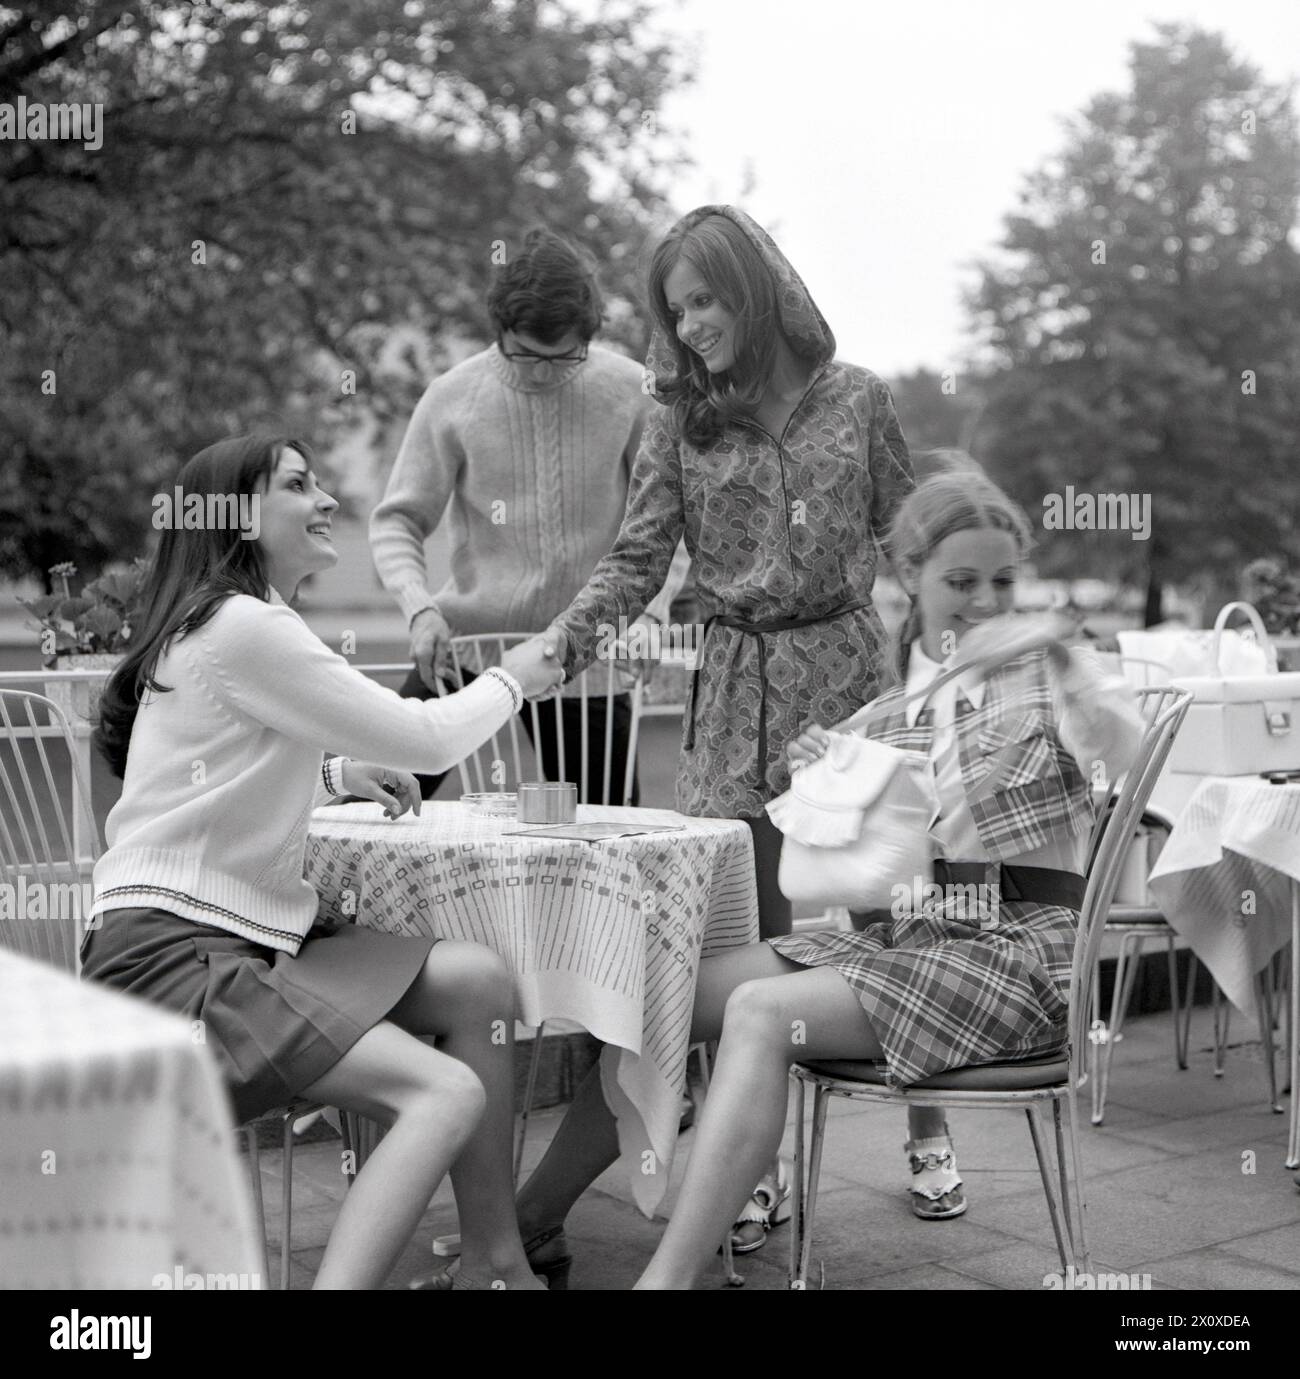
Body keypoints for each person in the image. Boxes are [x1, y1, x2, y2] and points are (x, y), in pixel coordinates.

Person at [522, 459, 1145, 1287]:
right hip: (913, 946)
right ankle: (531, 1219)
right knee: (662, 990)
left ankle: (663, 1282)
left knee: (760, 1011)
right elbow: (855, 846)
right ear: (911, 577)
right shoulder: (900, 701)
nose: (988, 601)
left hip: (1021, 961)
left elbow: (1127, 755)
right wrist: (826, 762)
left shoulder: (1046, 674)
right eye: (963, 580)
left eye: (1003, 579)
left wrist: (1083, 684)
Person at [506, 205, 918, 1265]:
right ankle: (756, 1169)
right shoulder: (673, 419)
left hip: (847, 684)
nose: (689, 325)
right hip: (735, 694)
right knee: (737, 948)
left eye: (703, 298)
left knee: (886, 918)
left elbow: (908, 533)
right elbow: (637, 560)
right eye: (673, 308)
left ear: (755, 287)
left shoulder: (858, 400)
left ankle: (930, 1128)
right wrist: (553, 647)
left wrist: (966, 642)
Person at [84, 435, 563, 1290]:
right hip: (177, 964)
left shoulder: (223, 621)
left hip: (231, 942)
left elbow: (210, 777)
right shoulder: (243, 624)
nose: (330, 498)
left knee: (479, 983)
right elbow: (425, 736)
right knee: (443, 1094)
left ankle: (496, 1262)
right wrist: (515, 679)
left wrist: (335, 774)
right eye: (300, 484)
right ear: (238, 515)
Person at [369, 225, 688, 804]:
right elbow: (398, 520)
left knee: (604, 846)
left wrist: (649, 619)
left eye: (564, 355)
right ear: (500, 330)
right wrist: (419, 611)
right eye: (524, 354)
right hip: (466, 651)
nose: (542, 373)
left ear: (588, 334)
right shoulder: (452, 395)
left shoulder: (632, 392)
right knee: (369, 798)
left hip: (587, 660)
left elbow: (671, 527)